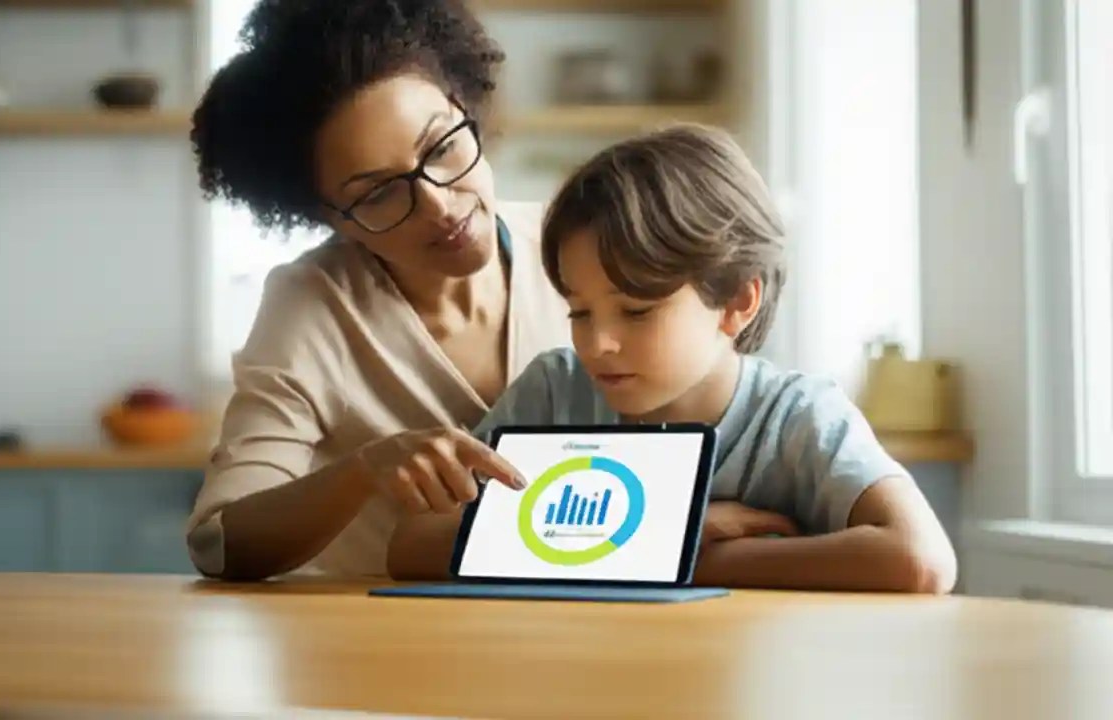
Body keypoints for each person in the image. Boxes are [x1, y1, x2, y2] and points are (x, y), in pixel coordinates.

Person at [389, 124, 959, 593]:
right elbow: (413, 546)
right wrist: (669, 537)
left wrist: (681, 560)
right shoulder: (555, 392)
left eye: (636, 311)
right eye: (579, 312)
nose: (598, 344)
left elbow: (919, 560)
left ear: (736, 301)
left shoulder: (798, 418)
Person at [186, 0, 569, 580]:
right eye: (379, 194)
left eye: (442, 148)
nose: (439, 204)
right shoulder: (312, 305)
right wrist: (365, 470)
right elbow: (221, 542)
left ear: (468, 107)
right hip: (381, 654)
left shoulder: (579, 245)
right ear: (331, 217)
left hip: (577, 637)